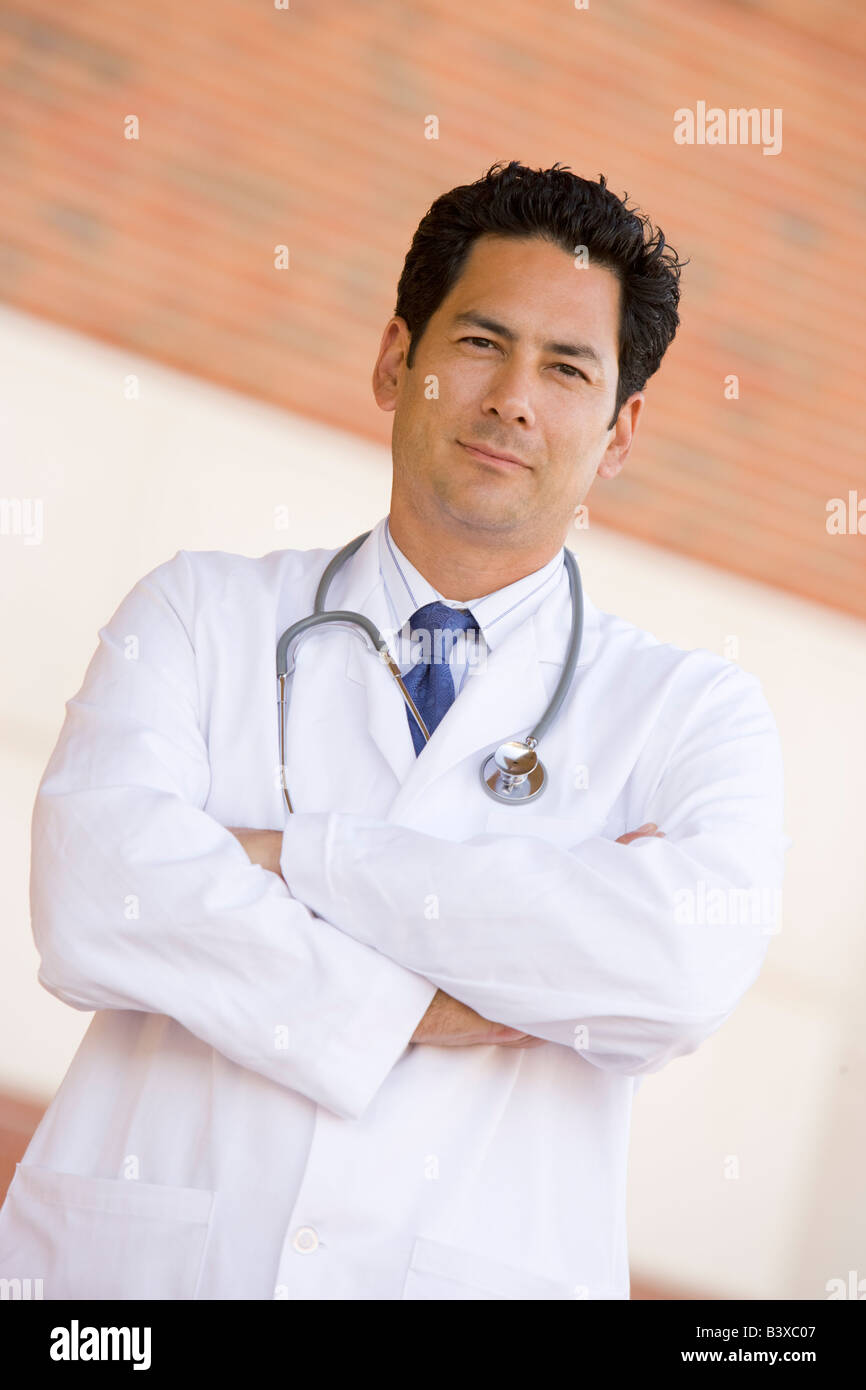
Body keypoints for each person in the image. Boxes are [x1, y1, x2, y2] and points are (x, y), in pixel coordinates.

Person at [0, 160, 788, 1300]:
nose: (513, 397)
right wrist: (442, 997)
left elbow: (675, 966)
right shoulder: (199, 612)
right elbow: (94, 898)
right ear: (394, 363)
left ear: (616, 435)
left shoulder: (689, 713)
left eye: (565, 367)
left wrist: (294, 855)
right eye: (479, 342)